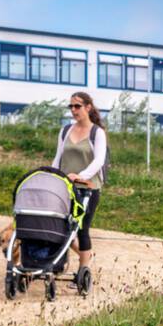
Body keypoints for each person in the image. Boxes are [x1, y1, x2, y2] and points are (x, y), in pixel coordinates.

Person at [50, 91, 107, 274]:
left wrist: (81, 175)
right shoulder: (66, 130)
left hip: (87, 188)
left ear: (88, 107)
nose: (73, 110)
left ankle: (84, 271)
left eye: (77, 106)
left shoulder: (97, 133)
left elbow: (99, 160)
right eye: (71, 106)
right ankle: (60, 262)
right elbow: (58, 157)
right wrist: (51, 175)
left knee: (82, 229)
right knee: (60, 225)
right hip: (64, 187)